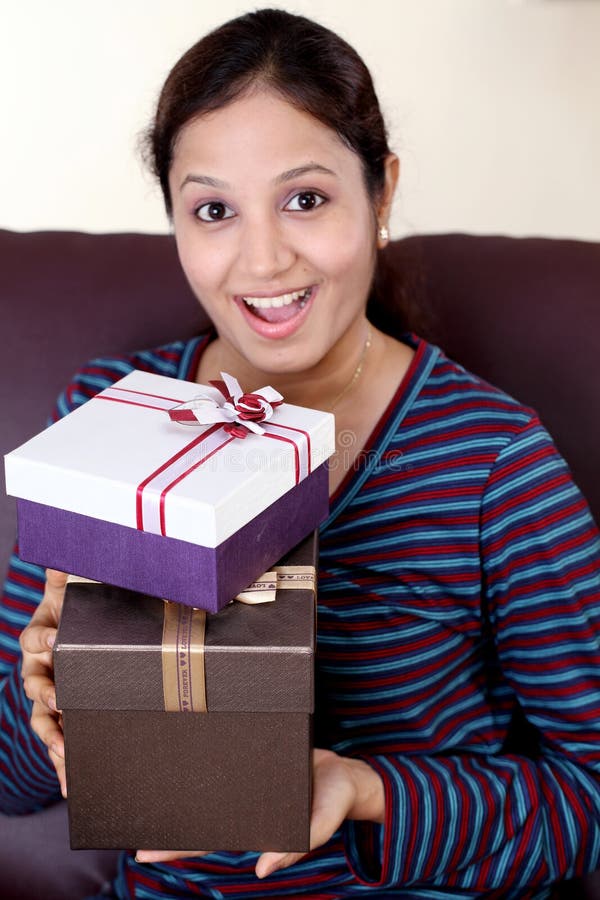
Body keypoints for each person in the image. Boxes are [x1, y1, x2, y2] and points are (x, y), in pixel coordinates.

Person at [2, 8, 600, 899]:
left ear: (382, 193)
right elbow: (13, 780)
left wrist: (366, 791)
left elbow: (588, 797)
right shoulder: (105, 421)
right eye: (214, 210)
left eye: (306, 199)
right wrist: (47, 687)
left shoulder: (494, 463)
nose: (264, 259)